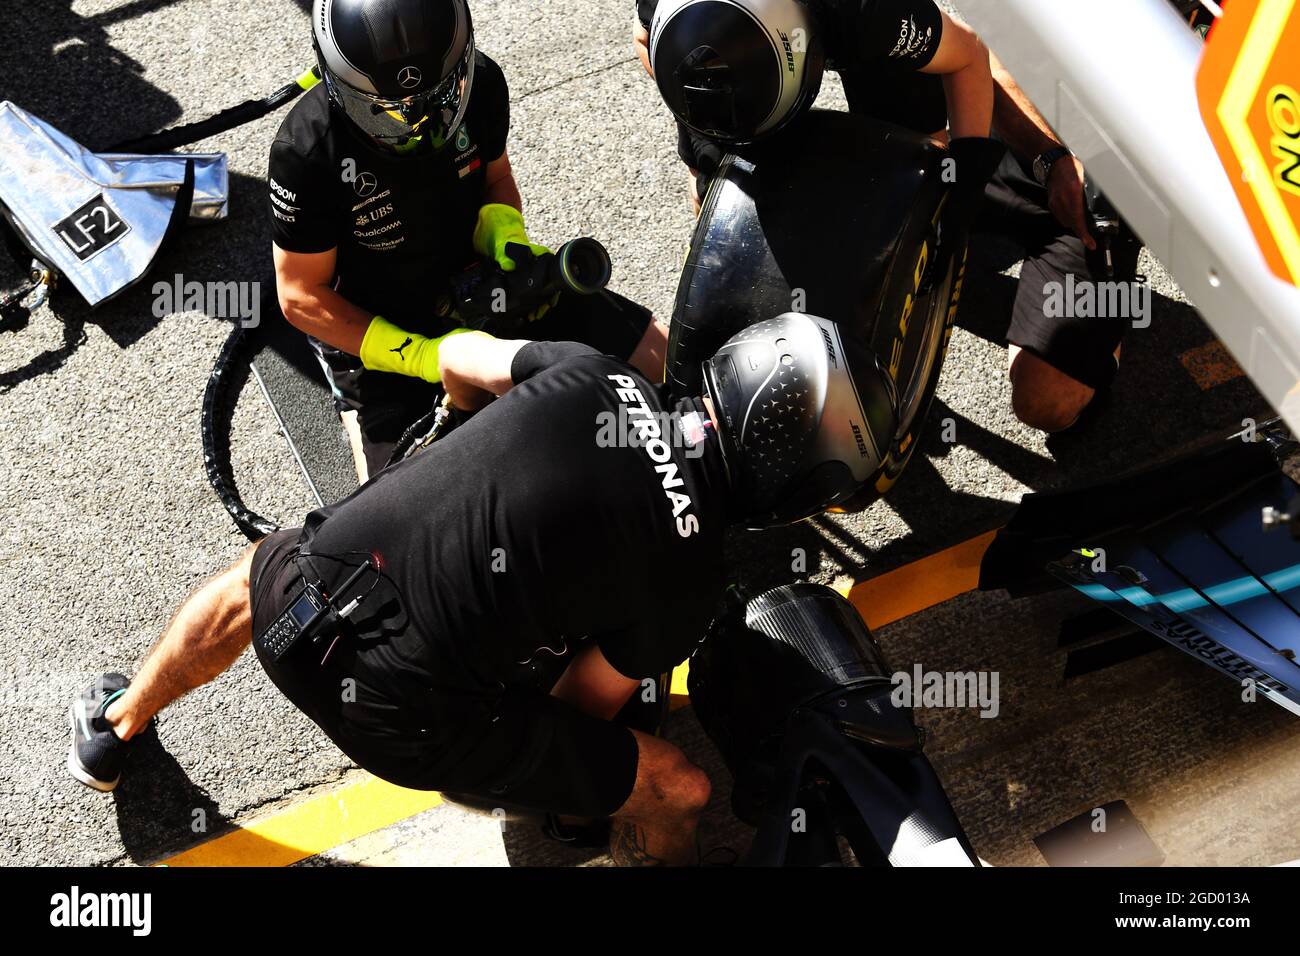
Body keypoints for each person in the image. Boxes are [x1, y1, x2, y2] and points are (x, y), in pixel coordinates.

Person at [67, 314, 899, 865]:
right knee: (678, 786)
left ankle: (118, 723)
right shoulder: (690, 576)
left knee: (266, 571)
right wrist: (585, 789)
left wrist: (461, 423)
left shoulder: (595, 374)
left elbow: (462, 353)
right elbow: (582, 703)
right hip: (400, 726)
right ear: (791, 484)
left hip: (297, 609)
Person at [635, 0, 1140, 433]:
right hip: (760, 60)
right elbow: (644, 39)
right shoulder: (670, 14)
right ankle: (921, 172)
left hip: (1029, 148)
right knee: (728, 172)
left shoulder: (865, 12)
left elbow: (966, 56)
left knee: (1045, 402)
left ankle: (1104, 214)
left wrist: (968, 192)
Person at [271, 0, 668, 482]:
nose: (413, 124)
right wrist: (419, 356)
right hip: (381, 332)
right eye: (383, 110)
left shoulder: (482, 83)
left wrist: (506, 236)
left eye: (435, 101)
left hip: (477, 280)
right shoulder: (306, 150)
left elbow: (496, 179)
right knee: (402, 527)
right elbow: (300, 296)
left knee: (666, 365)